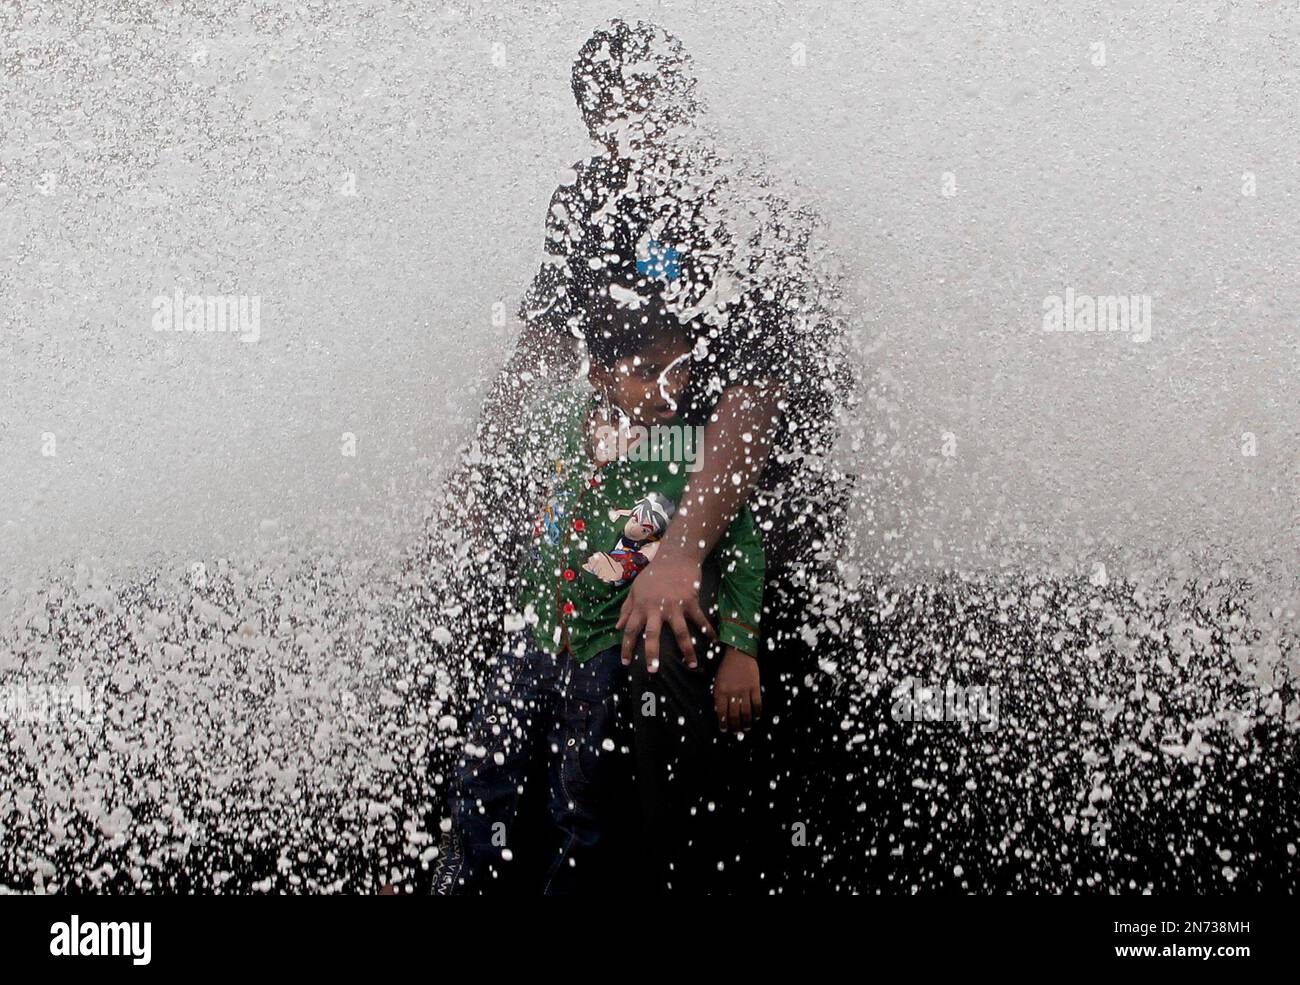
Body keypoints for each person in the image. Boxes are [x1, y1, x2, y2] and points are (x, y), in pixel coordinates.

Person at [430, 280, 766, 894]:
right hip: (530, 636)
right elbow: (504, 452)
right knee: (483, 774)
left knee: (580, 796)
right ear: (600, 377)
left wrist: (740, 649)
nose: (671, 389)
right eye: (646, 373)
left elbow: (742, 544)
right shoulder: (558, 421)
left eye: (681, 370)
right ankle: (461, 882)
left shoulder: (686, 448)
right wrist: (467, 497)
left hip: (600, 651)